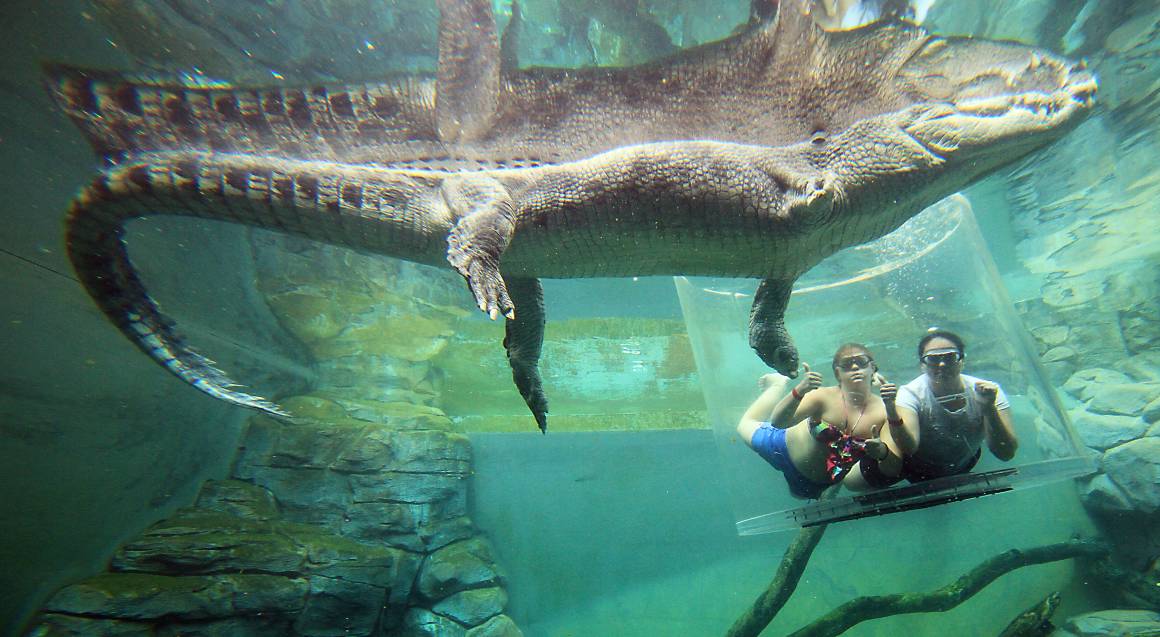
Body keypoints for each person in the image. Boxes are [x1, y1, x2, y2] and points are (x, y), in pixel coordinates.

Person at [737, 343, 915, 499]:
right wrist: (800, 390)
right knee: (745, 424)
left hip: (815, 485)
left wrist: (882, 453)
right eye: (846, 364)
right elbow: (778, 423)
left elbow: (893, 469)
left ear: (872, 368)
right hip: (779, 447)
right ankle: (776, 385)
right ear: (837, 373)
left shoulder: (884, 412)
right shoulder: (822, 397)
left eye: (861, 362)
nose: (854, 366)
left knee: (798, 496)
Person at [891, 328, 1019, 482]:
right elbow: (908, 448)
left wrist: (988, 408)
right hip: (916, 471)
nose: (942, 364)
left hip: (965, 465)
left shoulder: (988, 391)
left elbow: (1006, 454)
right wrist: (890, 409)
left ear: (962, 361)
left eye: (950, 357)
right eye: (933, 359)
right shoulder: (910, 394)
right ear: (922, 365)